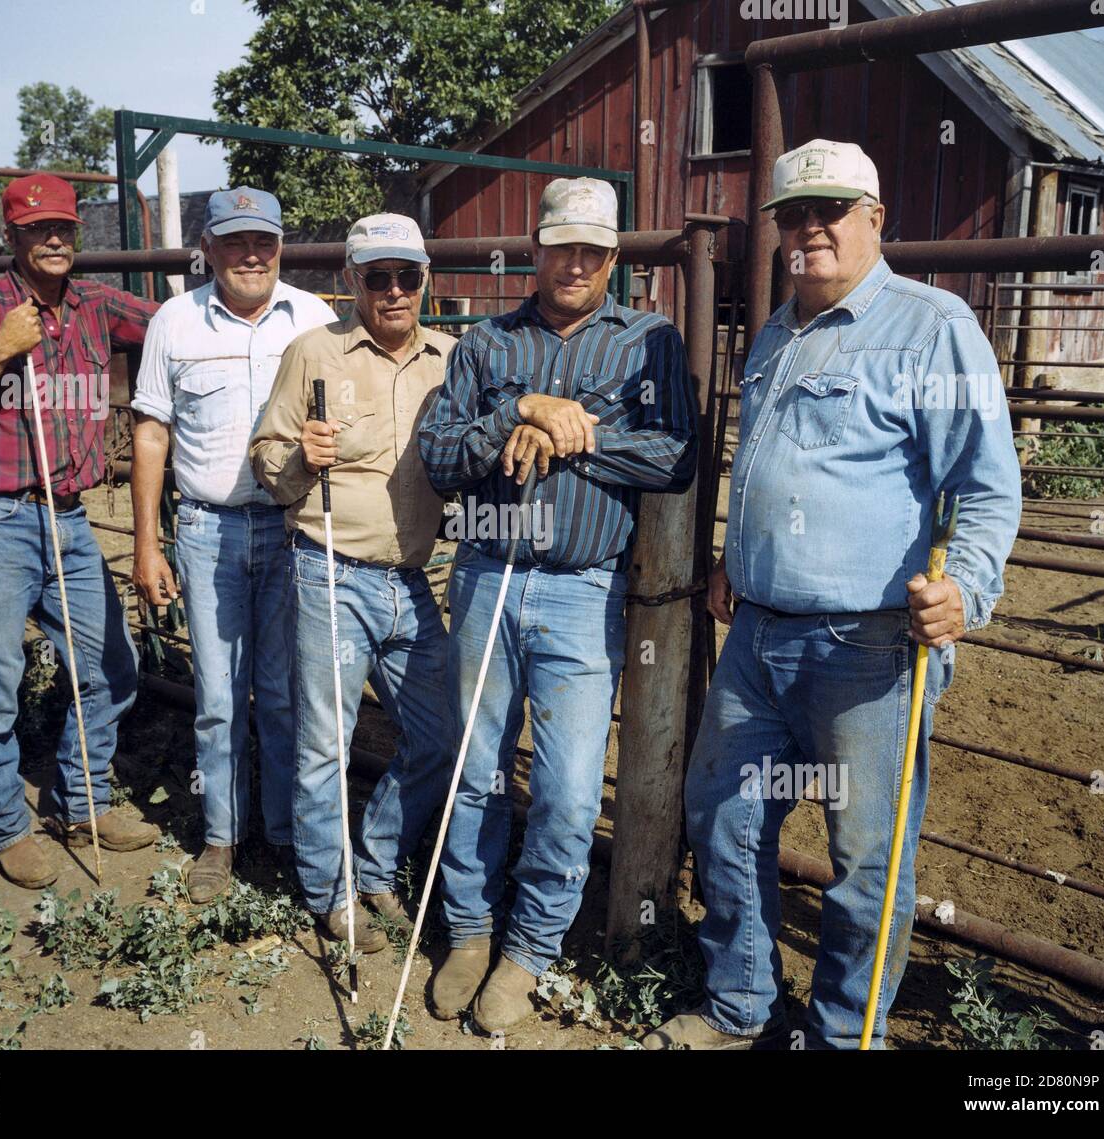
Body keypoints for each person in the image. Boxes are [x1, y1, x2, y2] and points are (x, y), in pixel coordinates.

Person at [645, 139, 1021, 1050]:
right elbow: (776, 462)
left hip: (870, 647)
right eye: (793, 214)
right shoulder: (778, 331)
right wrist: (742, 553)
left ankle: (846, 1033)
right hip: (761, 635)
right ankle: (740, 1005)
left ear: (875, 219)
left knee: (864, 859)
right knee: (723, 812)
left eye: (831, 211)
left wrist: (966, 585)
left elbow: (985, 482)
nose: (810, 228)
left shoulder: (933, 329)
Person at [417, 177, 697, 1034]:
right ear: (534, 249)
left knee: (573, 789)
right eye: (559, 246)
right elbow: (436, 452)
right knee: (475, 766)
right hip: (484, 574)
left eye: (593, 250)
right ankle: (468, 928)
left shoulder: (648, 341)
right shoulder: (485, 344)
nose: (574, 263)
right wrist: (518, 413)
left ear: (612, 258)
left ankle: (529, 947)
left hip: (582, 590)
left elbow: (675, 456)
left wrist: (581, 430)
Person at [0, 173, 161, 889]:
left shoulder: (96, 304)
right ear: (13, 236)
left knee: (111, 664)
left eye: (63, 227)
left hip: (68, 516)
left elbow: (172, 326)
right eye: (37, 230)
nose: (53, 239)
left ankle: (80, 801)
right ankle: (2, 824)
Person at [250, 213, 457, 951]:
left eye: (407, 275)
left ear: (425, 278)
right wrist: (302, 456)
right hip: (329, 569)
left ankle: (375, 862)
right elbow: (267, 466)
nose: (395, 290)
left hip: (414, 580)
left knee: (441, 735)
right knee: (324, 745)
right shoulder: (314, 352)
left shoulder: (450, 358)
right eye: (378, 276)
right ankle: (330, 892)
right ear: (351, 281)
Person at [130, 188, 335, 902]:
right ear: (208, 247)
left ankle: (282, 833)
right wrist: (147, 544)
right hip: (209, 528)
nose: (252, 254)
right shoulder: (174, 321)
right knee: (218, 696)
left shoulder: (316, 318)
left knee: (284, 692)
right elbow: (152, 431)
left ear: (281, 245)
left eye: (265, 241)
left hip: (290, 529)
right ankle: (222, 836)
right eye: (235, 241)